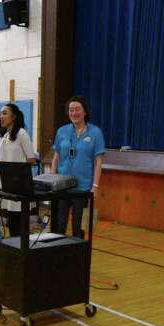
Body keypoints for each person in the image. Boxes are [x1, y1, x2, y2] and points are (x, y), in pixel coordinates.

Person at [49, 96, 105, 236]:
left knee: (78, 227)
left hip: (82, 187)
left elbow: (98, 162)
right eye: (71, 110)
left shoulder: (95, 132)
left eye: (77, 109)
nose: (74, 113)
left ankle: (77, 256)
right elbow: (56, 157)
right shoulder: (61, 131)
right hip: (62, 186)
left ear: (85, 112)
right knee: (59, 225)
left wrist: (95, 186)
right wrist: (51, 179)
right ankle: (58, 254)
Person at [0, 103, 38, 239]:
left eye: (4, 113)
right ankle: (13, 252)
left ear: (14, 116)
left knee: (19, 223)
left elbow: (32, 159)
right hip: (6, 183)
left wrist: (16, 169)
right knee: (11, 221)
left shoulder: (22, 134)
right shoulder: (3, 135)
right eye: (0, 113)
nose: (1, 116)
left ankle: (22, 254)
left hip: (19, 184)